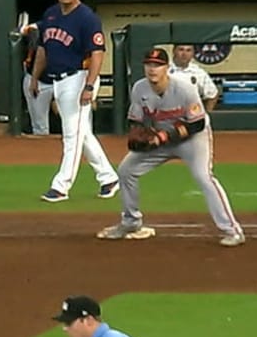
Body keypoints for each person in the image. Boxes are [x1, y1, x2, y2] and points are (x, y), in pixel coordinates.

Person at [105, 47, 245, 247]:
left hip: (192, 140)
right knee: (126, 170)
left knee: (204, 177)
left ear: (167, 68)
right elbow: (135, 120)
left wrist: (164, 136)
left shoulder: (185, 89)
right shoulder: (139, 88)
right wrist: (138, 135)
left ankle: (233, 230)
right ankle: (130, 222)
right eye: (149, 65)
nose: (152, 69)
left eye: (158, 65)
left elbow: (197, 123)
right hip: (160, 141)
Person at [25, 0, 119, 203]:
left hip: (79, 77)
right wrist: (35, 77)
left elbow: (97, 54)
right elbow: (44, 50)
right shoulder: (51, 14)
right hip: (57, 79)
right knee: (82, 133)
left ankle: (61, 186)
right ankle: (108, 178)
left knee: (71, 136)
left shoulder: (87, 17)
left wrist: (88, 87)